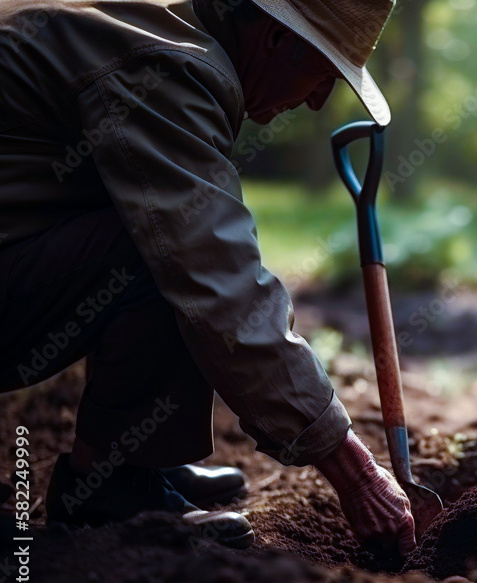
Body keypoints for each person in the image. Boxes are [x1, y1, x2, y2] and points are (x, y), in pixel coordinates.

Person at [0, 0, 416, 554]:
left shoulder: (162, 30)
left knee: (176, 233)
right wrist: (353, 470)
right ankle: (113, 486)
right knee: (173, 251)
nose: (320, 101)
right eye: (322, 72)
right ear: (273, 40)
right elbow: (221, 284)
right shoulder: (173, 66)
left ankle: (131, 464)